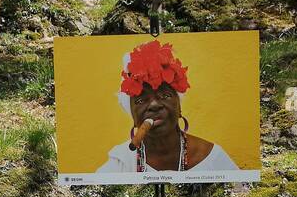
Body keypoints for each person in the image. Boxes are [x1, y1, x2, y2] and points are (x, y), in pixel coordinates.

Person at [96, 39, 240, 174]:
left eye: (165, 95)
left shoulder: (212, 159)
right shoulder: (120, 163)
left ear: (179, 106)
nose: (154, 105)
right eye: (141, 100)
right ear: (132, 115)